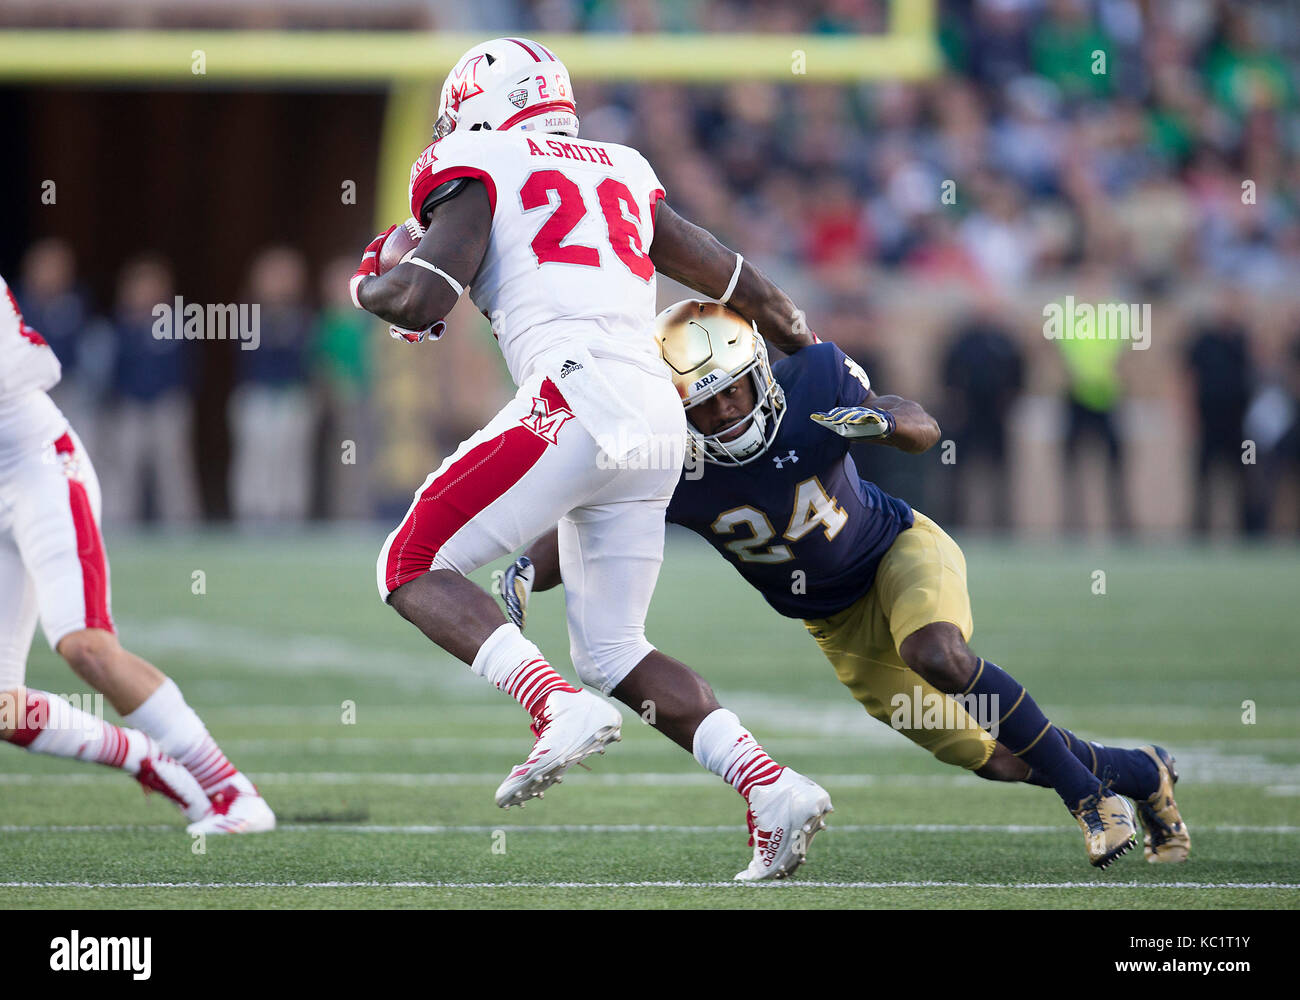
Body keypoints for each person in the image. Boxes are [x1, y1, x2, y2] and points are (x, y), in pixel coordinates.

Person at [350, 37, 837, 880]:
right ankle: (770, 787)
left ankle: (550, 708)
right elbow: (736, 281)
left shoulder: (474, 156)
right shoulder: (622, 164)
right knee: (613, 650)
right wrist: (816, 349)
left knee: (408, 562)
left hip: (574, 394)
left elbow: (423, 293)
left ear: (478, 103)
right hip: (655, 413)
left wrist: (370, 284)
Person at [508, 301, 1189, 869]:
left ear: (760, 374)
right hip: (835, 624)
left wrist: (884, 424)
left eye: (732, 393)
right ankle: (1137, 772)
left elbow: (920, 423)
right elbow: (583, 540)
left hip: (898, 551)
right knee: (995, 759)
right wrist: (520, 570)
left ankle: (1090, 800)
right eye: (702, 404)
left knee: (937, 654)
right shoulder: (667, 461)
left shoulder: (814, 380)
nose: (722, 415)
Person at [0, 273, 273, 835]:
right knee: (3, 707)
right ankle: (144, 758)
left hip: (36, 469)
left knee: (85, 646)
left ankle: (233, 792)